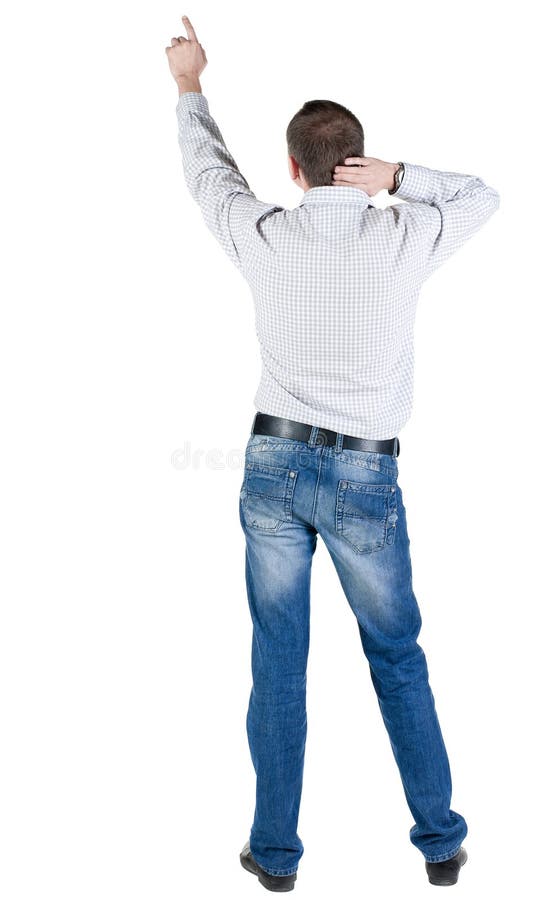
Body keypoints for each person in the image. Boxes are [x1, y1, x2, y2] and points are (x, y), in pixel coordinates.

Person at [166, 16, 500, 892]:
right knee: (396, 655)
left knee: (277, 658)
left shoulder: (263, 235)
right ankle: (438, 845)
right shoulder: (404, 235)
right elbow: (481, 196)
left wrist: (190, 86)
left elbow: (207, 174)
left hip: (271, 470)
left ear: (292, 168)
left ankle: (274, 857)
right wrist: (402, 178)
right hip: (364, 474)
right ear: (356, 164)